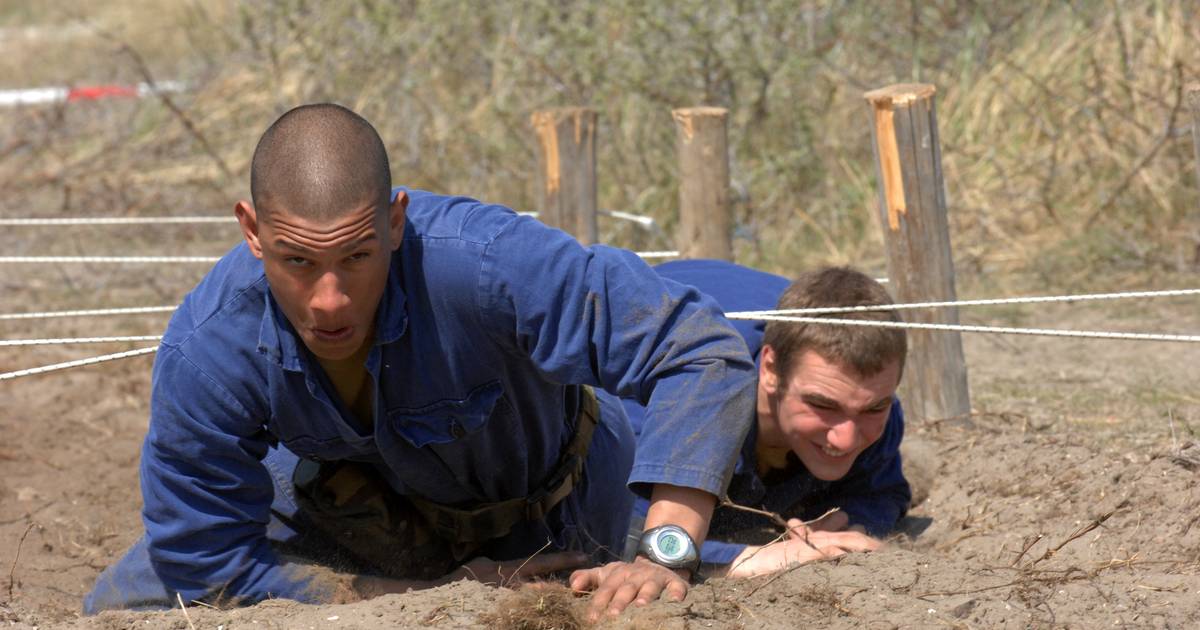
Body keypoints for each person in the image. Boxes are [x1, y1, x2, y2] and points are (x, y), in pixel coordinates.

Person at [84, 104, 757, 620]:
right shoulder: (207, 350)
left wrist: (666, 549)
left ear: (396, 221)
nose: (329, 300)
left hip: (562, 506)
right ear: (252, 232)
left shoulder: (489, 263)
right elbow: (204, 558)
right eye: (299, 262)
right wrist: (411, 600)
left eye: (356, 257)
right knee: (120, 606)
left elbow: (694, 346)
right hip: (371, 525)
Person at [612, 260, 911, 577]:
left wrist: (850, 523)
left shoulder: (862, 397)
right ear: (770, 369)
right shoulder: (670, 403)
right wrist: (746, 558)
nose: (847, 438)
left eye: (874, 408)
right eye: (822, 406)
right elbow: (619, 529)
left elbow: (883, 492)